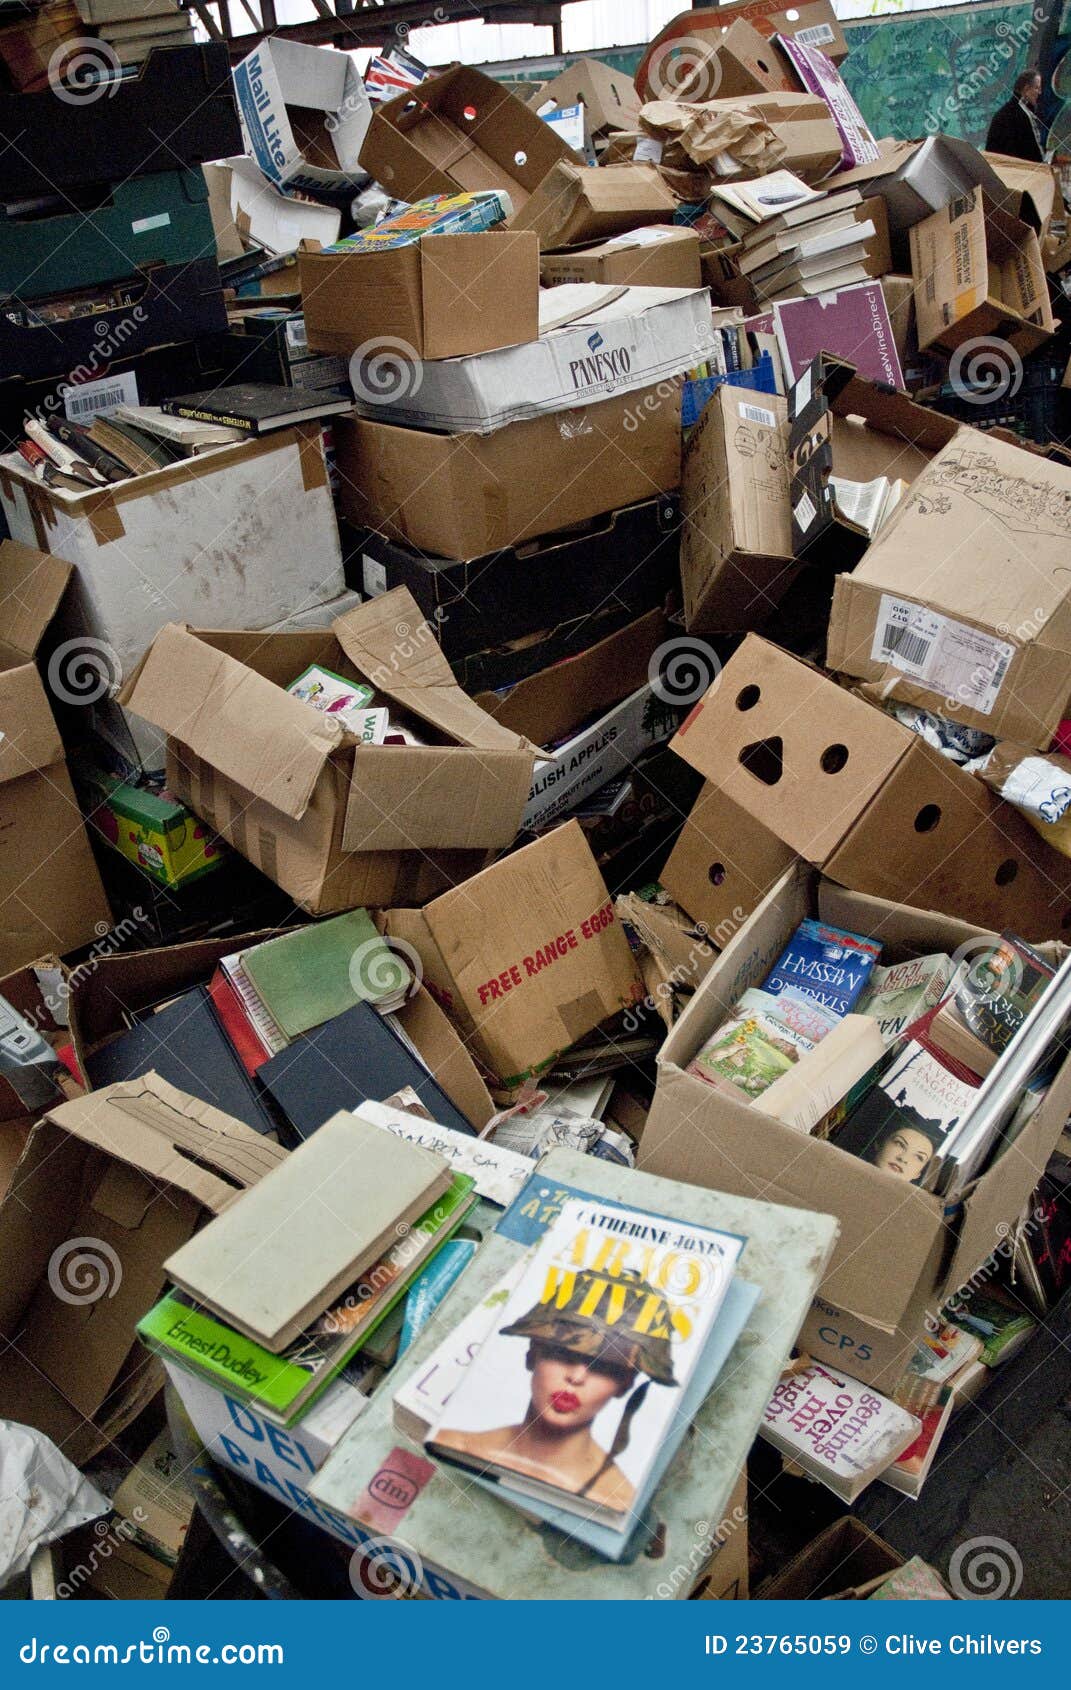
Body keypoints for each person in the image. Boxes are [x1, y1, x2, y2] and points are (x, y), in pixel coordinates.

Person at [435, 1267, 680, 1511]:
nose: (576, 1377)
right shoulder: (451, 1445)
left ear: (625, 1384)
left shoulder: (619, 1502)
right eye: (562, 1352)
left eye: (604, 1366)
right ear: (532, 1354)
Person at [986, 69, 1047, 162]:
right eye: (1037, 88)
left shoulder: (1013, 111)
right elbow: (1030, 153)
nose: (1040, 92)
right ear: (1026, 89)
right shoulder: (1016, 114)